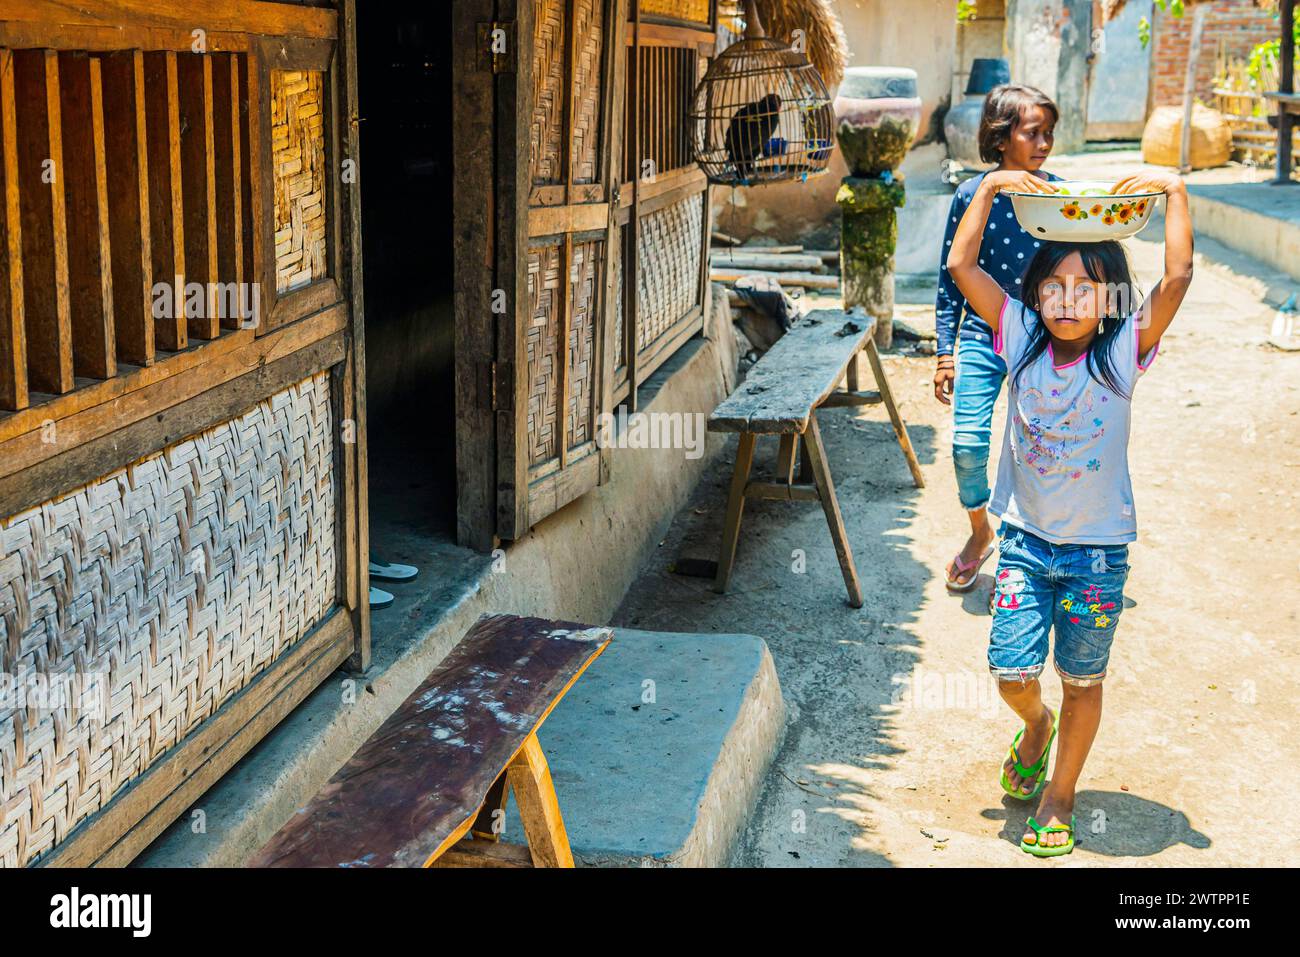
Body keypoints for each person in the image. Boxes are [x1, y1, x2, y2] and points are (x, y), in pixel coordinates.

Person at [946, 166, 1194, 857]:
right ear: (1033, 295)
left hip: (1096, 554)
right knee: (1013, 673)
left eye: (1085, 287)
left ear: (1111, 296)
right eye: (1052, 285)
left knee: (1084, 679)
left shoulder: (1120, 355)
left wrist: (1174, 191)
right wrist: (992, 187)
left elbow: (1177, 279)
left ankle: (1059, 795)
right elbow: (962, 262)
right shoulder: (1020, 338)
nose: (1065, 300)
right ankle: (1033, 726)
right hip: (1024, 541)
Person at [934, 84, 1061, 598]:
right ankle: (981, 530)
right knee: (967, 446)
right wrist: (945, 351)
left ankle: (1028, 553)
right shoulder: (972, 194)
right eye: (1033, 132)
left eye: (1049, 133)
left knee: (1039, 451)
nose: (1044, 143)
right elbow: (951, 280)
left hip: (1040, 341)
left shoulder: (1059, 196)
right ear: (1001, 136)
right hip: (981, 342)